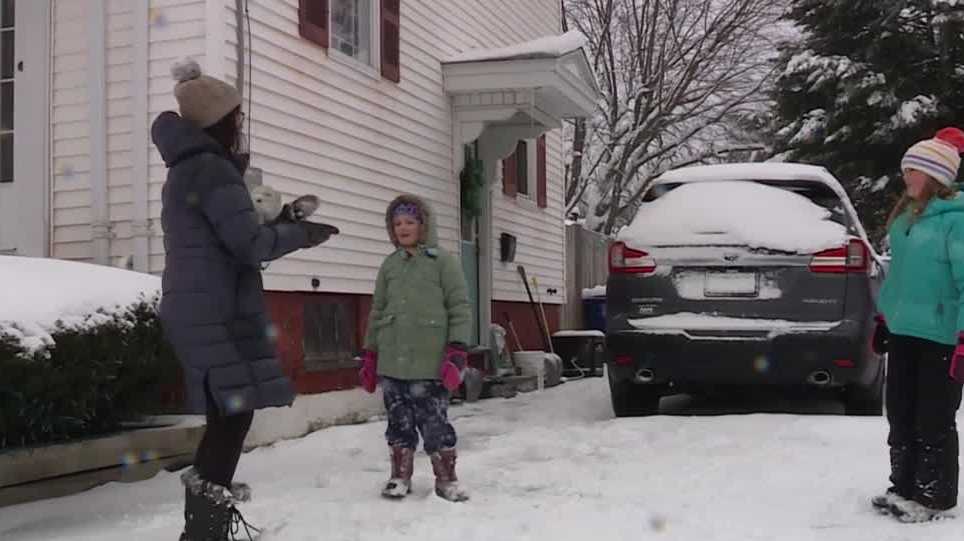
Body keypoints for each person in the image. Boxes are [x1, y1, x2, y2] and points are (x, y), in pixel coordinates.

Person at [152, 58, 334, 539]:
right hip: (212, 309)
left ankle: (203, 530)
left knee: (228, 414)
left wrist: (283, 221)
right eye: (237, 116)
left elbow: (232, 234)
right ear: (220, 121)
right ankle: (202, 533)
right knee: (232, 414)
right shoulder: (211, 170)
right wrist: (301, 234)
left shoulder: (190, 168)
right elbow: (249, 245)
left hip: (200, 305)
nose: (241, 124)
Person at [872, 127, 964, 522]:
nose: (906, 177)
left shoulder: (955, 222)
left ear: (935, 176)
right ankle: (903, 486)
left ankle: (932, 497)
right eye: (906, 169)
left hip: (942, 336)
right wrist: (883, 318)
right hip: (904, 331)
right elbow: (900, 278)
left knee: (933, 419)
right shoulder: (907, 217)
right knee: (901, 413)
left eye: (913, 170)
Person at [358, 194, 473, 502]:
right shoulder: (390, 265)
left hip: (429, 362)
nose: (403, 228)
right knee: (398, 422)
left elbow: (460, 307)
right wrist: (370, 355)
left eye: (410, 221)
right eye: (397, 223)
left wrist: (457, 351)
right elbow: (378, 311)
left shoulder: (443, 262)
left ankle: (446, 478)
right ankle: (399, 475)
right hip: (393, 362)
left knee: (434, 423)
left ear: (424, 225)